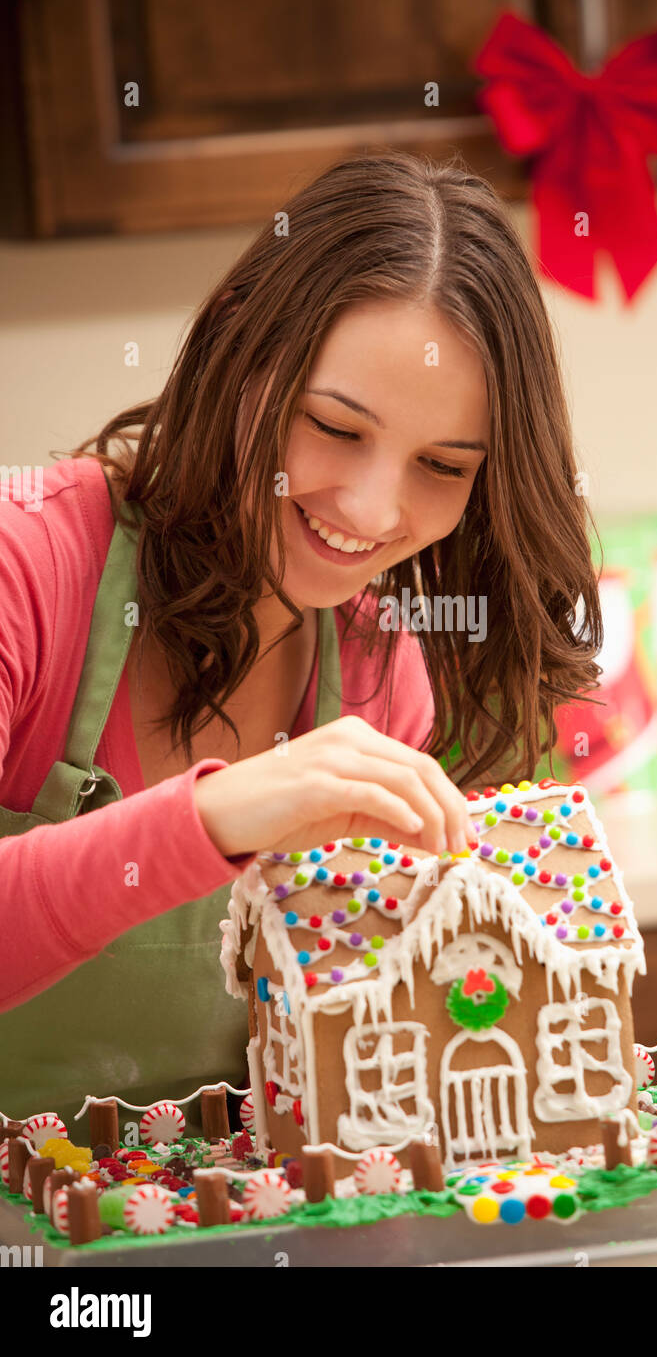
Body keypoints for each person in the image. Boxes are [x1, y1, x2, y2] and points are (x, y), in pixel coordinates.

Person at [0, 151, 602, 1126]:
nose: (371, 508)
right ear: (241, 346)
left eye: (442, 467)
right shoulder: (25, 565)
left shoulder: (375, 674)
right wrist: (212, 818)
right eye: (333, 426)